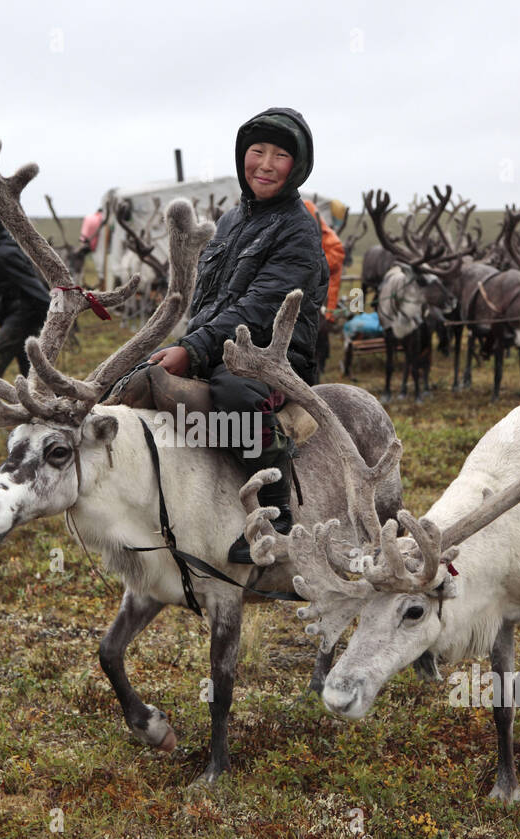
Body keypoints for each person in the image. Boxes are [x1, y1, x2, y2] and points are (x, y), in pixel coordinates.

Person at [149, 107, 328, 564]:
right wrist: (189, 343)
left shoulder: (299, 231)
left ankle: (274, 510)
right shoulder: (232, 222)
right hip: (221, 347)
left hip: (275, 357)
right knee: (140, 379)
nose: (265, 164)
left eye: (280, 155)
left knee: (233, 392)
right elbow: (211, 301)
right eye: (256, 151)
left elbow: (260, 307)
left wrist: (194, 349)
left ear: (298, 167)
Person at [0, 209, 52, 377]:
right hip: (15, 314)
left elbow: (31, 284)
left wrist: (55, 314)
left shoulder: (4, 254)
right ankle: (41, 400)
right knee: (31, 367)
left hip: (23, 316)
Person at [302, 197, 347, 379]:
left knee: (320, 334)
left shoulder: (331, 241)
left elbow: (329, 263)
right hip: (311, 296)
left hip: (325, 297)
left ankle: (319, 367)